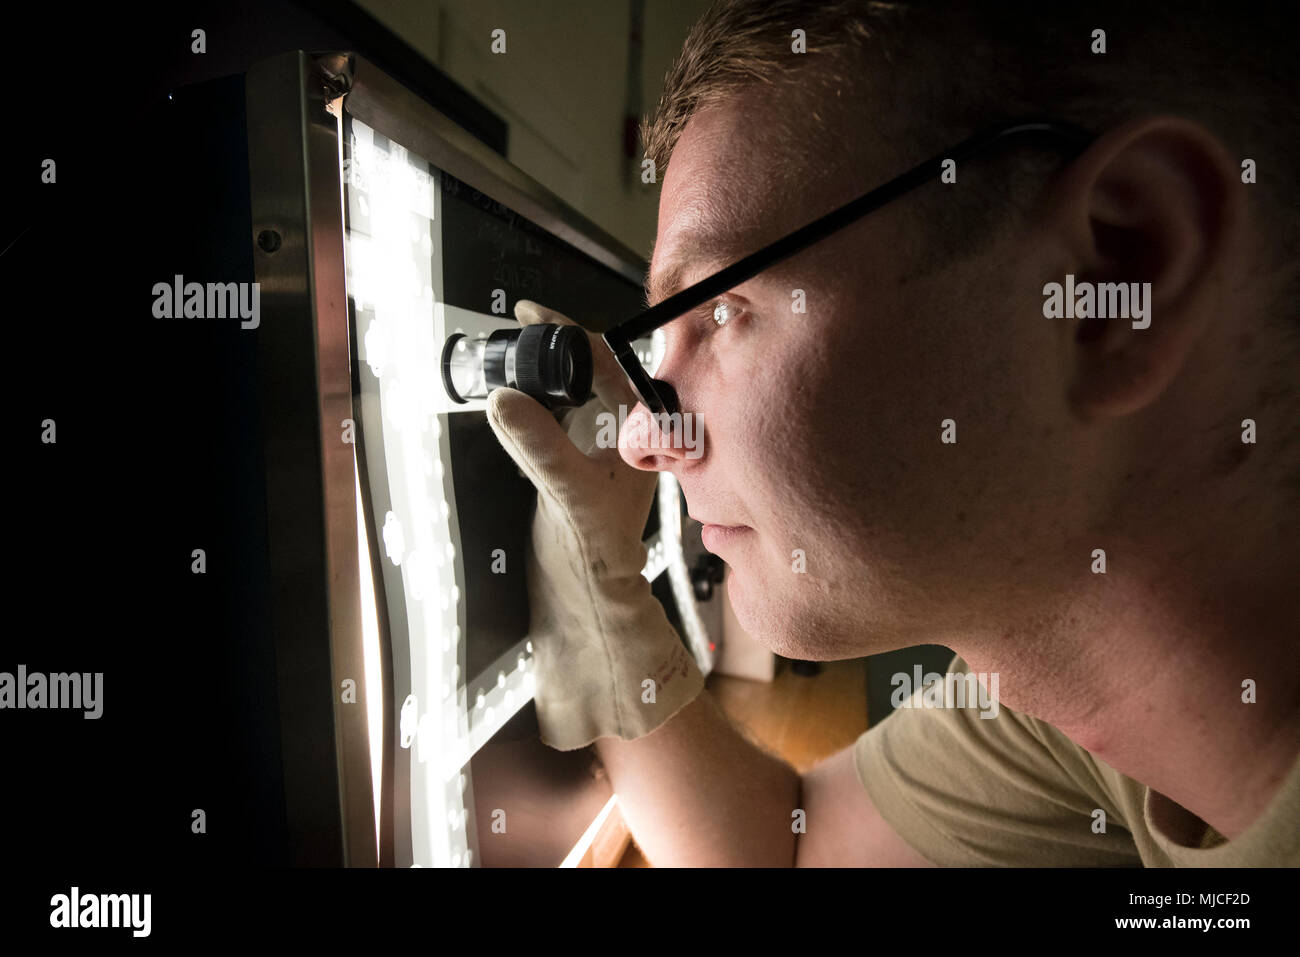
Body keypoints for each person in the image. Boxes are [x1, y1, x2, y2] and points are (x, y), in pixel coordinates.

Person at [486, 0, 1300, 866]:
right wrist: (598, 585)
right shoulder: (1056, 707)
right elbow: (786, 849)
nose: (648, 439)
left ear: (1120, 276)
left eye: (720, 307)